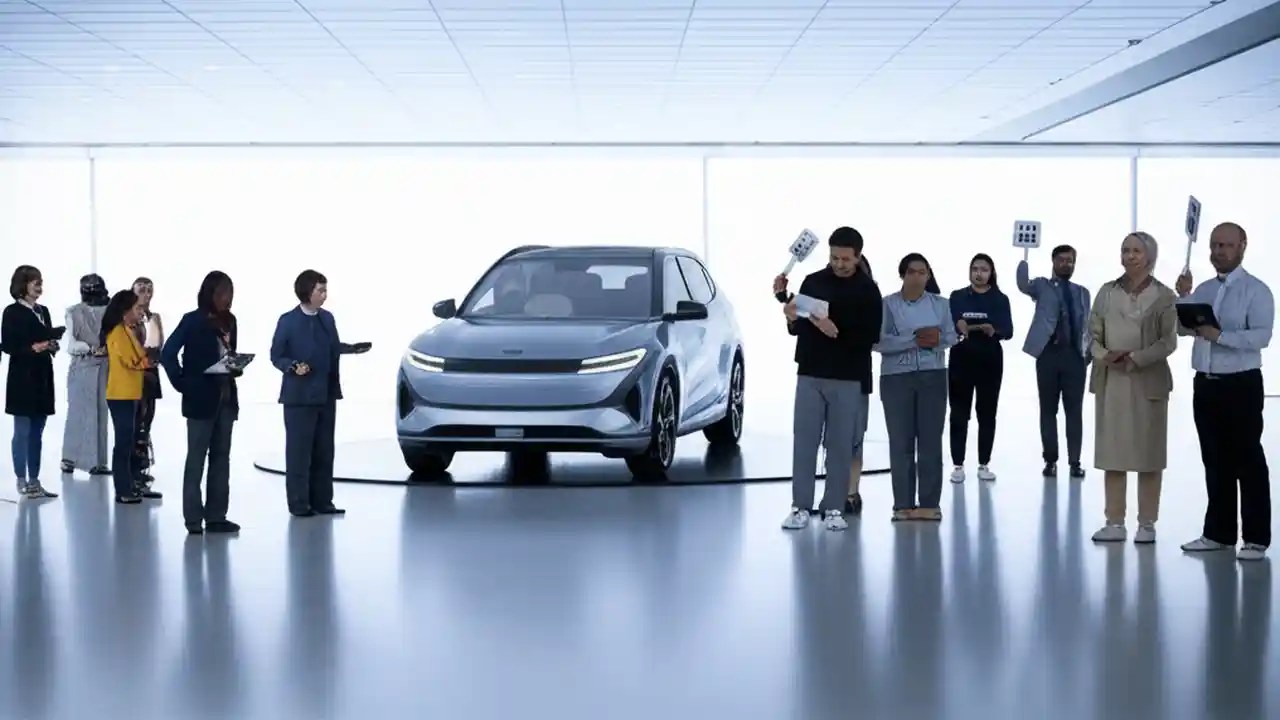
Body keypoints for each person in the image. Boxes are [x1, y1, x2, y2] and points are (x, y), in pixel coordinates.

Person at [1176, 222, 1273, 561]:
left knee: (1247, 458)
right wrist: (1184, 298)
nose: (1219, 251)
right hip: (1205, 383)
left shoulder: (1257, 290)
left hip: (1241, 384)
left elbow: (1262, 337)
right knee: (1214, 459)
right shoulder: (1202, 288)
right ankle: (1218, 534)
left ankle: (1256, 539)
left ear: (1242, 246)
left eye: (1227, 245)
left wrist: (1220, 336)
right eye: (1215, 245)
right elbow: (1182, 328)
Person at [777, 227, 882, 531]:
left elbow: (871, 336)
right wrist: (790, 314)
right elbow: (798, 325)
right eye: (834, 257)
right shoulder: (813, 281)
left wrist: (835, 330)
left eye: (845, 259)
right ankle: (799, 507)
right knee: (805, 442)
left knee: (839, 445)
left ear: (858, 257)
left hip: (848, 377)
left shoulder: (867, 290)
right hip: (810, 372)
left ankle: (834, 508)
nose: (839, 263)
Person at [1086, 232, 1178, 544]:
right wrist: (1104, 355)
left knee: (1149, 453)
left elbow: (1168, 341)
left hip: (1148, 380)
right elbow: (1093, 335)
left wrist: (1137, 358)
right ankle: (1114, 521)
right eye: (1125, 250)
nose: (1130, 256)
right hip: (1112, 379)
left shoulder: (1164, 296)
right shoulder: (1106, 292)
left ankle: (1147, 523)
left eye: (1137, 251)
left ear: (1150, 257)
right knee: (1113, 452)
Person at [270, 270, 370, 517]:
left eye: (325, 290)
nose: (325, 295)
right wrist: (293, 366)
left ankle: (323, 501)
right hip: (299, 396)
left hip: (325, 394)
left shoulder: (327, 319)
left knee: (324, 450)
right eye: (320, 290)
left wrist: (352, 349)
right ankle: (299, 503)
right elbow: (276, 355)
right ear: (307, 291)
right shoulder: (288, 321)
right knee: (299, 453)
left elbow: (333, 347)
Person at [876, 253, 957, 521]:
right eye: (911, 271)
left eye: (922, 272)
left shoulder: (941, 305)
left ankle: (930, 503)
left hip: (933, 376)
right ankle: (902, 504)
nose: (917, 276)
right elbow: (878, 342)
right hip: (896, 377)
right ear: (902, 274)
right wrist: (913, 339)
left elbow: (950, 337)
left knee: (931, 441)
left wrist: (936, 340)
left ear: (929, 276)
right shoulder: (887, 304)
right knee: (900, 441)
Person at [161, 271, 242, 535]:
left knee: (222, 458)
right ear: (210, 294)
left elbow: (227, 356)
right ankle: (193, 518)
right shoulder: (192, 321)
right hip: (200, 398)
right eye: (222, 293)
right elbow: (168, 353)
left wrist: (235, 367)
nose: (227, 299)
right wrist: (183, 384)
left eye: (230, 293)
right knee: (196, 459)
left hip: (226, 398)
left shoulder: (230, 321)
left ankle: (217, 515)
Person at [1016, 245, 1092, 478]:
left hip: (1074, 355)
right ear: (1053, 262)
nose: (1066, 264)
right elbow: (1022, 284)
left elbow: (1087, 322)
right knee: (1048, 409)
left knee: (1074, 411)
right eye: (1061, 260)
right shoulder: (1042, 286)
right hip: (1048, 353)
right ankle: (1050, 460)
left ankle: (1075, 461)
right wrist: (1023, 259)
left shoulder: (1082, 292)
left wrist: (1088, 352)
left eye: (1070, 261)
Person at [947, 254, 1013, 483]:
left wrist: (993, 330)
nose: (978, 273)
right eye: (974, 268)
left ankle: (984, 464)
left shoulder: (1000, 299)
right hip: (961, 360)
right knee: (958, 413)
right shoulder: (957, 297)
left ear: (991, 272)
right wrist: (958, 325)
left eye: (984, 269)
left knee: (986, 414)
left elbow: (1008, 330)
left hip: (990, 361)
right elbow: (947, 326)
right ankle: (958, 464)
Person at [2, 265, 60, 499]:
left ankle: (35, 480)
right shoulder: (12, 312)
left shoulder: (43, 310)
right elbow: (8, 345)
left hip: (42, 375)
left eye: (40, 281)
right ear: (22, 285)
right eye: (35, 281)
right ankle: (20, 480)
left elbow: (46, 337)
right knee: (23, 430)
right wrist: (35, 347)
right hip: (21, 378)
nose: (39, 286)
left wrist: (50, 345)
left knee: (38, 431)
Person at [102, 288, 161, 504]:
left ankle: (127, 486)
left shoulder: (127, 330)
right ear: (125, 310)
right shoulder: (118, 332)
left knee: (128, 441)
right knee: (123, 443)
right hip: (120, 395)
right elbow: (132, 360)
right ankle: (122, 489)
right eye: (137, 308)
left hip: (130, 393)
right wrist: (149, 360)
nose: (140, 311)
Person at [60, 273, 112, 477]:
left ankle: (98, 461)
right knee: (78, 413)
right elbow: (71, 344)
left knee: (101, 413)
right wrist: (89, 348)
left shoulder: (110, 312)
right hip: (82, 367)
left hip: (105, 367)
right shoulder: (73, 312)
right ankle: (69, 458)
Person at [131, 277, 165, 487]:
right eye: (141, 289)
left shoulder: (154, 317)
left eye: (149, 289)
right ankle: (131, 469)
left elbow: (158, 344)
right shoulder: (126, 318)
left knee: (146, 421)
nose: (145, 293)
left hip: (150, 374)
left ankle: (142, 467)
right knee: (134, 422)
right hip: (134, 374)